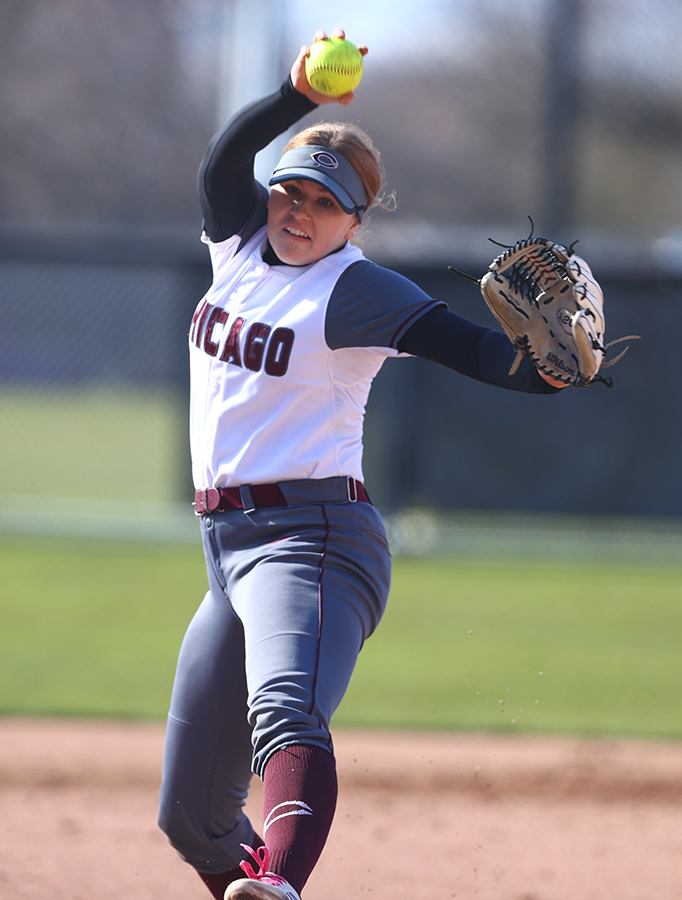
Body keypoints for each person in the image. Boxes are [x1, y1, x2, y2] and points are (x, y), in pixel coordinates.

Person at [157, 30, 568, 900]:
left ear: (356, 219)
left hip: (312, 543)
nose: (299, 212)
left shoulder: (355, 289)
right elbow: (224, 158)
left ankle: (283, 881)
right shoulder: (236, 248)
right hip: (224, 551)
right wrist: (295, 97)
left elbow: (483, 356)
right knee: (191, 816)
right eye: (290, 193)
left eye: (325, 203)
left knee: (286, 715)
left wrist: (551, 365)